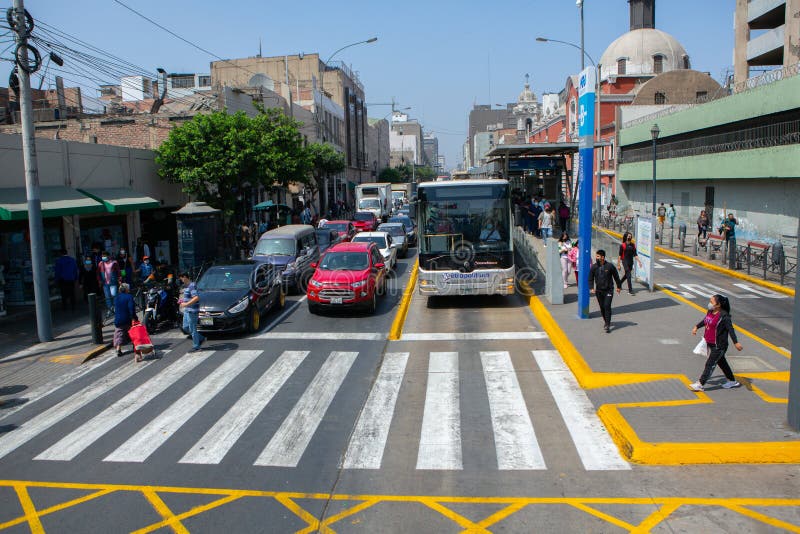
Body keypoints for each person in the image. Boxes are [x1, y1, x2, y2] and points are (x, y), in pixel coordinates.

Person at [689, 294, 743, 391]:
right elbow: (705, 321)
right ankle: (732, 381)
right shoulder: (710, 311)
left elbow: (731, 329)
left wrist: (736, 342)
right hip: (709, 343)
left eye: (712, 302)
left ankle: (700, 384)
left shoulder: (724, 316)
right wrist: (696, 327)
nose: (709, 304)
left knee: (710, 364)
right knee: (722, 363)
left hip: (719, 345)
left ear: (718, 305)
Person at [589, 249, 622, 333]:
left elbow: (616, 276)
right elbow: (590, 278)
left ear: (602, 257)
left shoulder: (610, 266)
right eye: (596, 256)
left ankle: (607, 324)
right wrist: (592, 288)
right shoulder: (594, 267)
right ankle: (606, 320)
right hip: (599, 291)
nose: (596, 258)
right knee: (602, 307)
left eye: (598, 256)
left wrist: (619, 286)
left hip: (609, 290)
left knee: (607, 306)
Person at [179, 271, 206, 352]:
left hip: (192, 311)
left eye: (181, 279)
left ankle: (196, 347)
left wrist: (186, 304)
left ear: (185, 277)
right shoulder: (186, 286)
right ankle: (201, 338)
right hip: (187, 310)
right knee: (185, 327)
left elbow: (196, 297)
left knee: (192, 329)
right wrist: (182, 301)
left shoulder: (192, 286)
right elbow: (189, 297)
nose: (181, 281)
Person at [113, 283, 137, 357]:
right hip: (127, 319)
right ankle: (135, 346)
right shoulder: (129, 297)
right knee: (133, 332)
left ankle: (118, 349)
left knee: (119, 334)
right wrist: (134, 318)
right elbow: (131, 308)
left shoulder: (116, 298)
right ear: (127, 289)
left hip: (118, 320)